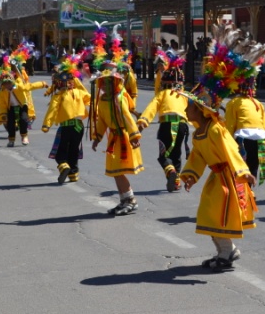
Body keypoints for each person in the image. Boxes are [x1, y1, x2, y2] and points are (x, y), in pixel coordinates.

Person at [178, 24, 264, 271]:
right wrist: (189, 175)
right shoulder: (200, 132)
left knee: (215, 216)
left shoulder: (215, 129)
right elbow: (197, 157)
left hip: (227, 178)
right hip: (217, 178)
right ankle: (227, 252)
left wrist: (243, 172)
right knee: (208, 214)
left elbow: (231, 151)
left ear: (202, 109)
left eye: (190, 106)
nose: (186, 110)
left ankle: (226, 254)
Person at [89, 31, 144, 216]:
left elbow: (128, 118)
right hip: (113, 137)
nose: (104, 85)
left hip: (123, 138)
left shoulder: (119, 99)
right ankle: (124, 200)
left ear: (115, 82)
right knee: (114, 171)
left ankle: (130, 200)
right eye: (102, 82)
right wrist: (97, 137)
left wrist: (135, 136)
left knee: (119, 171)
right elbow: (102, 120)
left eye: (108, 82)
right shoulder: (104, 100)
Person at [137, 49, 191, 192]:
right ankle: (176, 182)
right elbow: (196, 110)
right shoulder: (184, 95)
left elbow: (151, 109)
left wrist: (141, 124)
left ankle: (170, 172)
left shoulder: (162, 94)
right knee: (176, 154)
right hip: (182, 126)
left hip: (167, 124)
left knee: (163, 156)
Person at [40, 55, 90, 184]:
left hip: (66, 126)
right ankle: (73, 174)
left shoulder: (58, 96)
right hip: (79, 126)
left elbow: (52, 111)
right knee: (74, 151)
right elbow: (92, 101)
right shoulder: (80, 93)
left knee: (61, 152)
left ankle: (64, 166)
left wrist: (46, 125)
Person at [225, 74, 265, 184]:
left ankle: (245, 196)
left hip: (243, 141)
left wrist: (226, 148)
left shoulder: (233, 103)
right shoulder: (258, 104)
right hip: (260, 142)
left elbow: (230, 127)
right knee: (252, 170)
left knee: (241, 170)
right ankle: (250, 194)